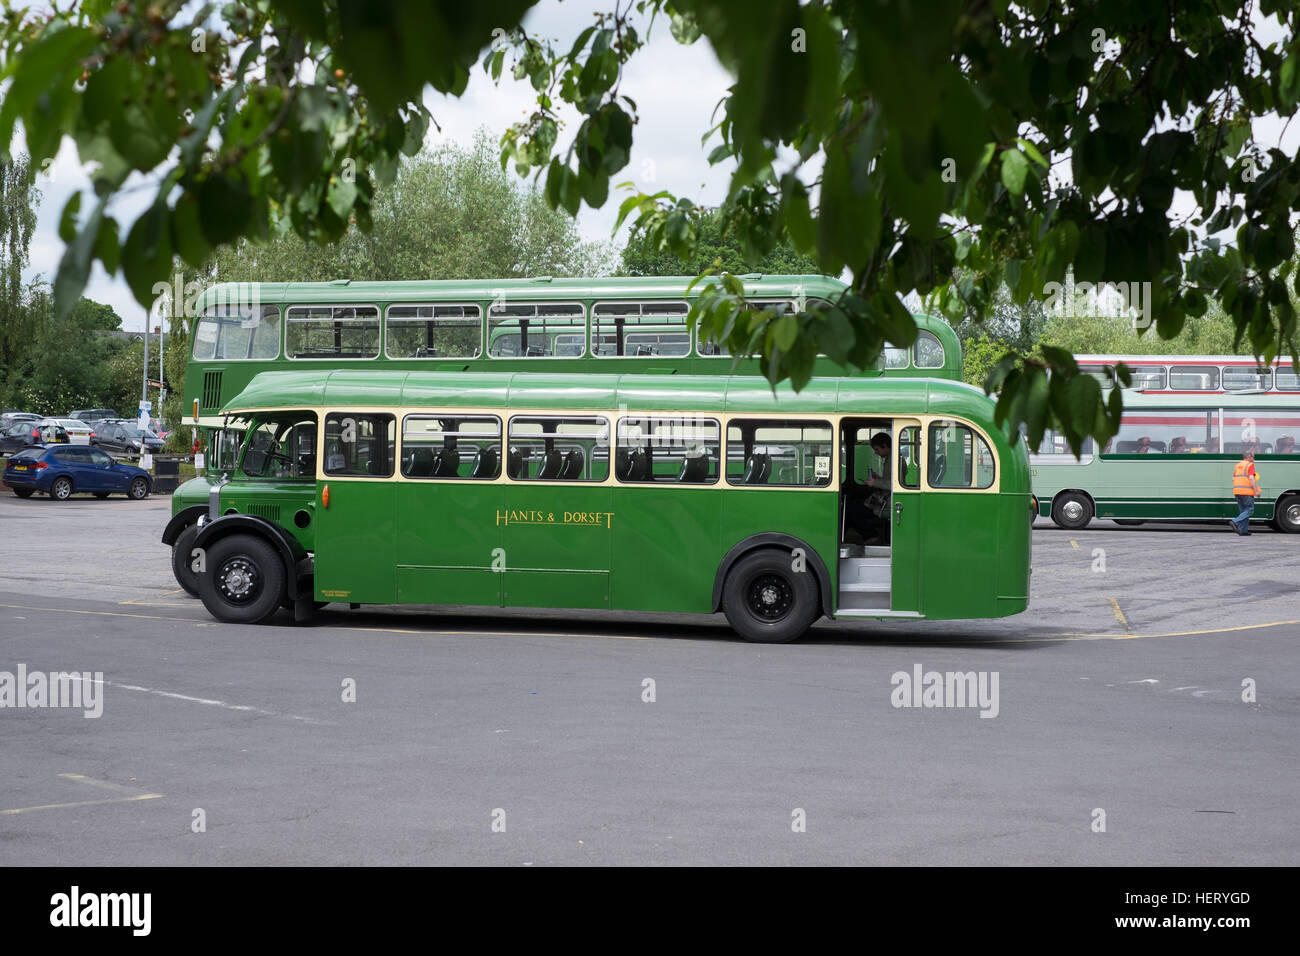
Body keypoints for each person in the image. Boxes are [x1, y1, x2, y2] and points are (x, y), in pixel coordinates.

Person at [845, 433, 892, 545]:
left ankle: (871, 535)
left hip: (887, 502)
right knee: (854, 505)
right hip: (885, 499)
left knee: (850, 510)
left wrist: (874, 482)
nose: (876, 453)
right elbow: (890, 481)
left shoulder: (893, 461)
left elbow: (894, 484)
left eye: (877, 449)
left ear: (885, 446)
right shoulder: (890, 459)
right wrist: (878, 479)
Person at [1229, 445, 1261, 536]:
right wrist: (1256, 491)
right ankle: (1235, 521)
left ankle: (1243, 531)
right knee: (1250, 510)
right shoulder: (1250, 465)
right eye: (1253, 457)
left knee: (1243, 511)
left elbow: (1233, 478)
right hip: (1246, 492)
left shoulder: (1237, 465)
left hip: (1237, 491)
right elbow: (1251, 478)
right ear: (1248, 457)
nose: (1254, 459)